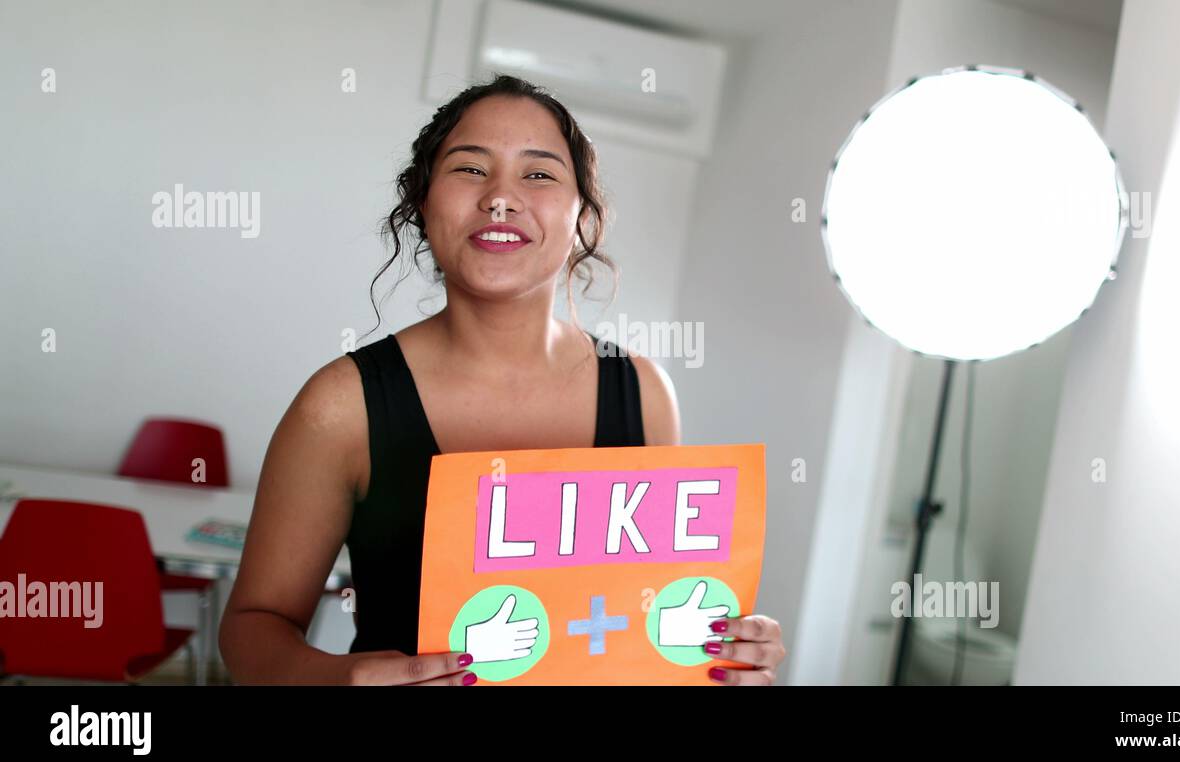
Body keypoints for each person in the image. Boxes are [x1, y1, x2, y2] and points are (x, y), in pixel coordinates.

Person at [219, 75, 786, 685]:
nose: (499, 198)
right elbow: (253, 627)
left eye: (538, 174)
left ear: (581, 216)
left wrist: (722, 650)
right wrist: (342, 679)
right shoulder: (341, 405)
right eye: (469, 169)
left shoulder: (642, 391)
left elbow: (648, 616)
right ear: (422, 201)